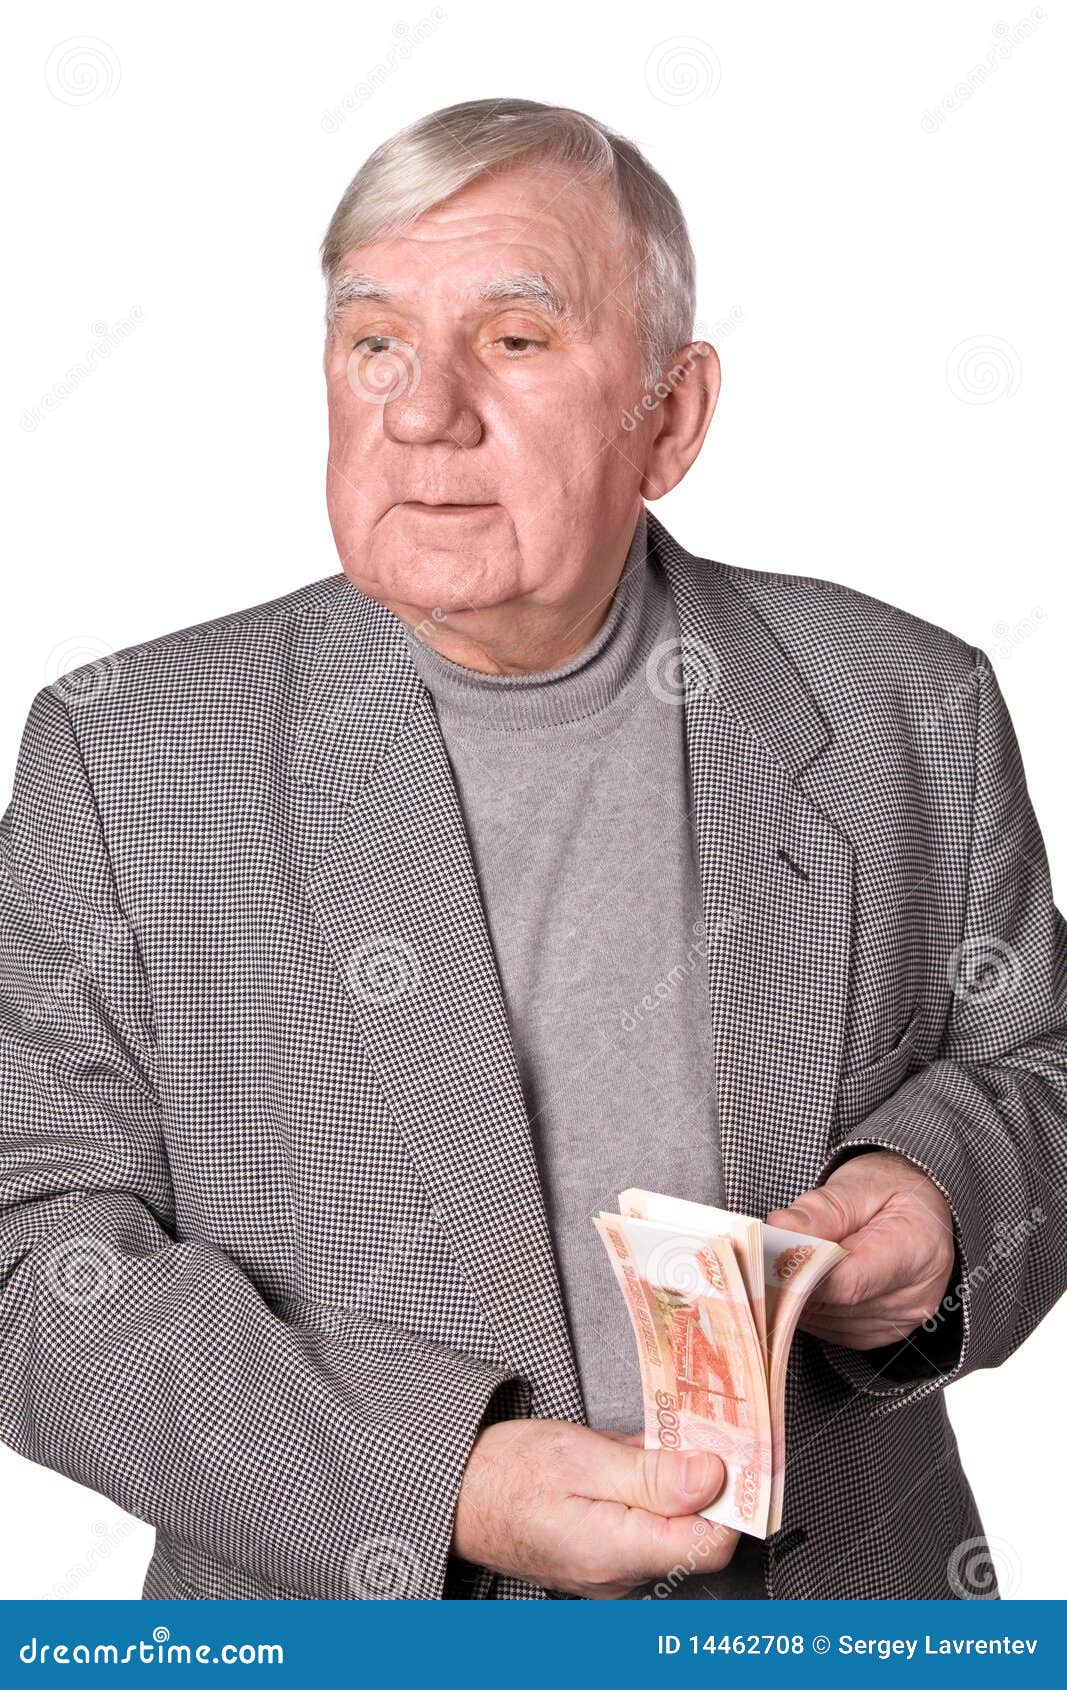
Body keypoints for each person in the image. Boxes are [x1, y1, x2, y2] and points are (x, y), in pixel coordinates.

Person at [0, 98, 1063, 1602]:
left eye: (513, 338)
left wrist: (941, 1195)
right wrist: (445, 1481)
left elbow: (1044, 1073)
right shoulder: (123, 753)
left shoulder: (908, 703)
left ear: (671, 417)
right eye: (375, 342)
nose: (421, 410)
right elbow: (31, 1251)